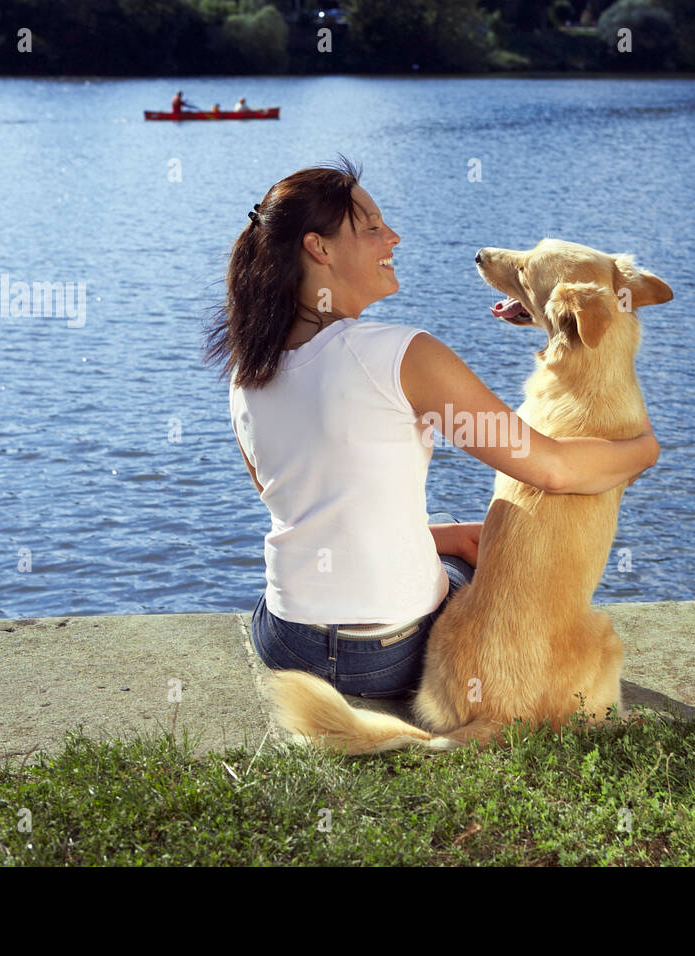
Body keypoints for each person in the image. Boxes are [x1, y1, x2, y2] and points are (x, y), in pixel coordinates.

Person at [203, 155, 658, 699]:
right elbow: (554, 471)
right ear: (318, 248)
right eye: (371, 227)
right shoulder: (401, 355)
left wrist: (442, 537)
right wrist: (643, 449)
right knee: (487, 568)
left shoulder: (246, 368)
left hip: (286, 639)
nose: (392, 237)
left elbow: (306, 506)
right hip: (383, 659)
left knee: (445, 529)